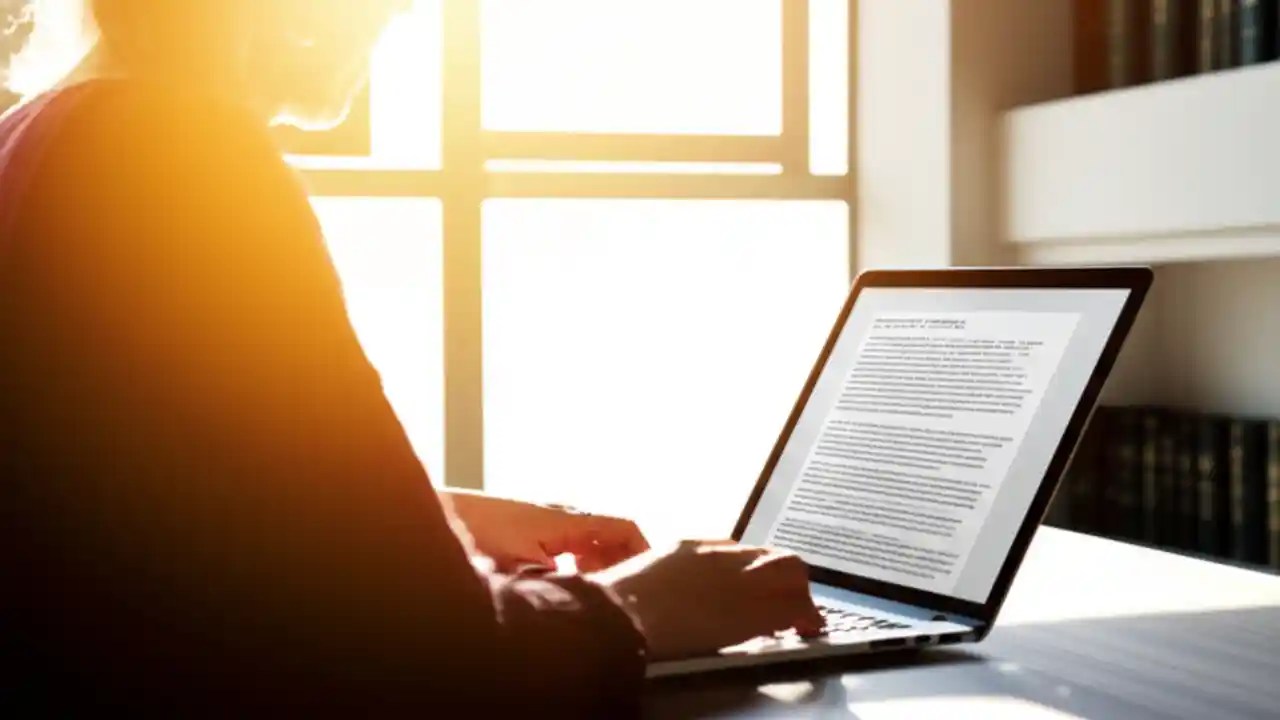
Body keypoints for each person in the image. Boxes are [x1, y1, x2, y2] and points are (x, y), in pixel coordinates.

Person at [0, 1, 823, 714]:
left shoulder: (35, 134)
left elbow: (142, 524)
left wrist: (432, 521)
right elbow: (434, 666)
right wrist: (643, 605)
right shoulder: (177, 153)